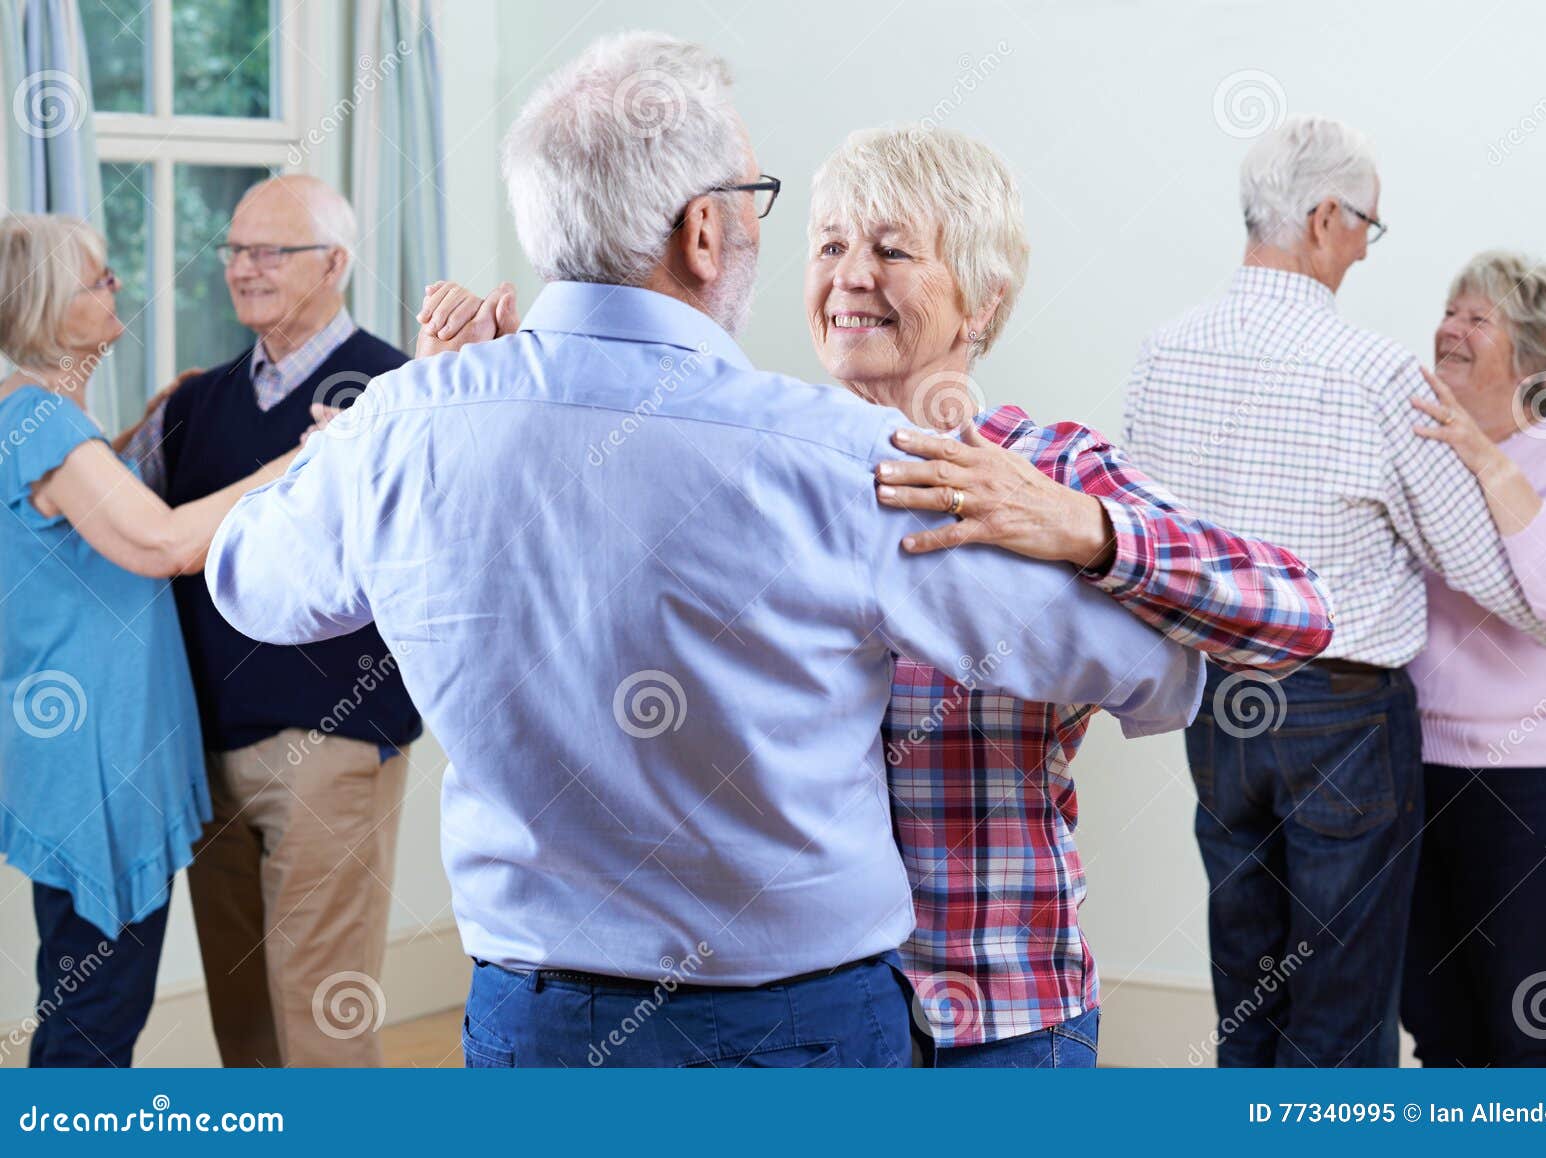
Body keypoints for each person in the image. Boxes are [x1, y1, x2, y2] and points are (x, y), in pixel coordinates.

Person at [202, 31, 1205, 1069]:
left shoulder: (408, 419)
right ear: (701, 234)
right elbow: (1151, 670)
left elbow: (250, 583)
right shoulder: (836, 460)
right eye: (758, 201)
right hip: (791, 1036)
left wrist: (398, 427)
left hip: (529, 1025)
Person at [792, 125, 1332, 1067]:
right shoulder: (776, 463)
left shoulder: (1050, 467)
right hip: (810, 1015)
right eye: (831, 244)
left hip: (1007, 1009)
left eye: (890, 249)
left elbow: (1295, 612)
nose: (849, 276)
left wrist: (1085, 530)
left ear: (983, 297)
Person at [1120, 115, 1546, 1067]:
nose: (1367, 253)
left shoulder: (1164, 350)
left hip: (1219, 704)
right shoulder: (1372, 372)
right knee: (1347, 997)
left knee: (1248, 970)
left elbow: (1144, 532)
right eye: (1369, 228)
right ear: (1328, 217)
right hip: (1342, 713)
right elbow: (1485, 569)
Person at [122, 175, 424, 1068]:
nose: (244, 268)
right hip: (207, 747)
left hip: (333, 744)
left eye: (269, 251)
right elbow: (117, 523)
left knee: (319, 1015)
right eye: (234, 250)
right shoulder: (195, 402)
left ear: (334, 264)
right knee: (243, 1015)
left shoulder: (397, 391)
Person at [0, 213, 302, 1066]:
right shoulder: (49, 427)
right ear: (54, 307)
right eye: (98, 278)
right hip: (101, 761)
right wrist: (308, 456)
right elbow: (164, 542)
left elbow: (69, 523)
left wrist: (140, 430)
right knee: (97, 1017)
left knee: (79, 996)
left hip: (68, 747)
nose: (116, 286)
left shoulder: (29, 416)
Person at [1400, 252, 1546, 1066]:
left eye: (1477, 318)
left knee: (1530, 1033)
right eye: (1450, 310)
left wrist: (1485, 457)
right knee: (1439, 1024)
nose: (1450, 327)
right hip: (1417, 772)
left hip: (1539, 789)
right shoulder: (1419, 447)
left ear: (1534, 361)